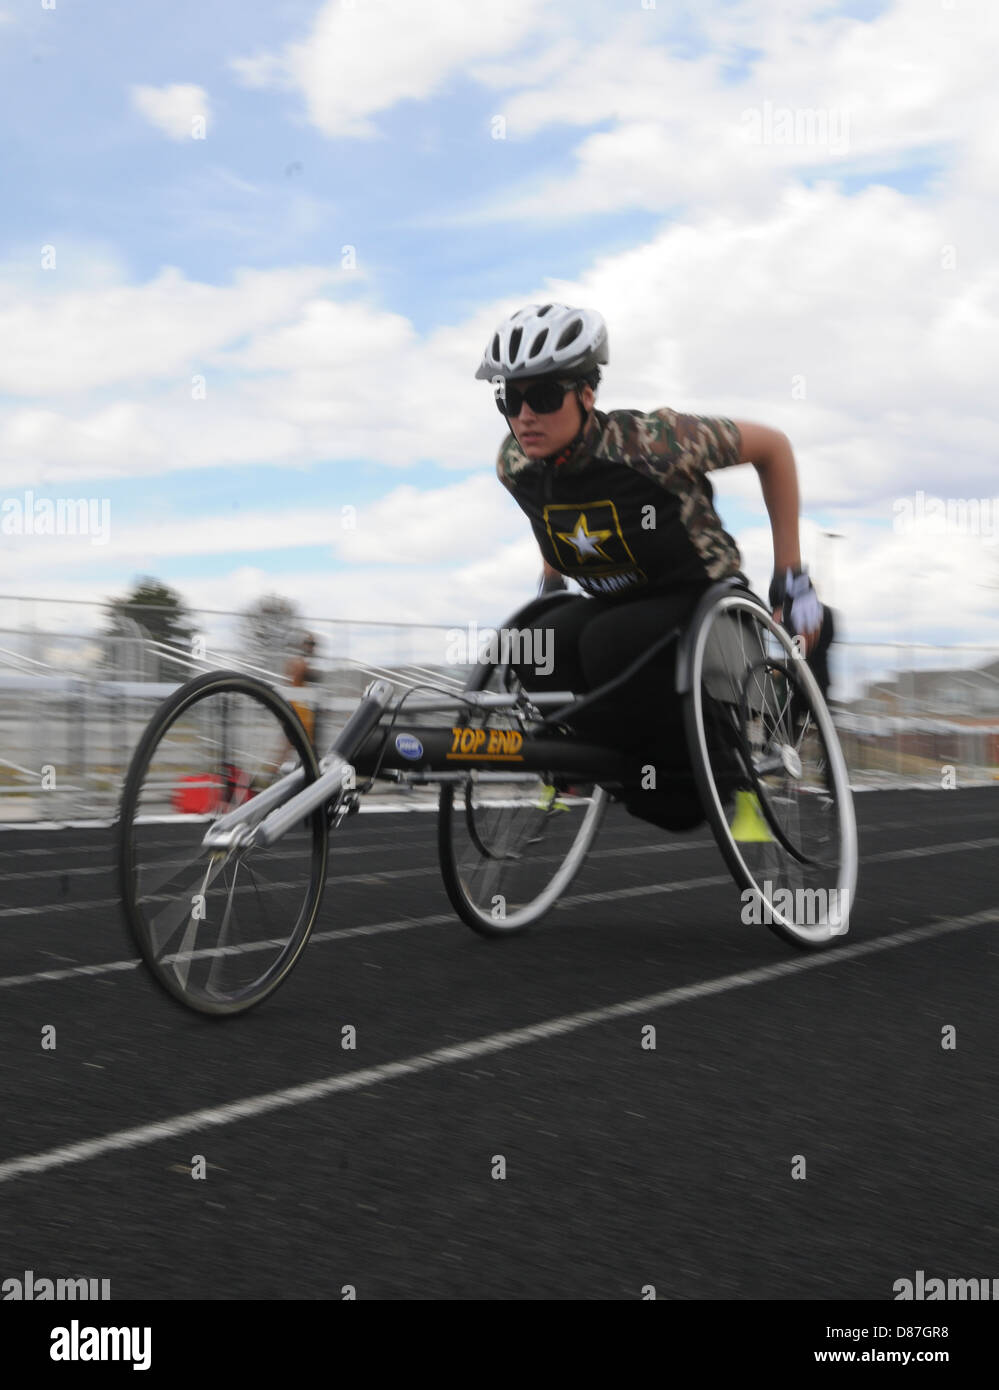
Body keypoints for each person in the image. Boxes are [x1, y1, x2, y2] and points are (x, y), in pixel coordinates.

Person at [475, 302, 834, 832]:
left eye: (545, 396)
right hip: (616, 600)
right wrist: (549, 587)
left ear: (587, 395)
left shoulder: (655, 442)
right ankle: (609, 758)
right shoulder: (515, 463)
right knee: (531, 641)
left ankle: (705, 770)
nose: (525, 415)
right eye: (511, 398)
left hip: (697, 592)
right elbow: (552, 516)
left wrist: (792, 575)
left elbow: (774, 448)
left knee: (608, 642)